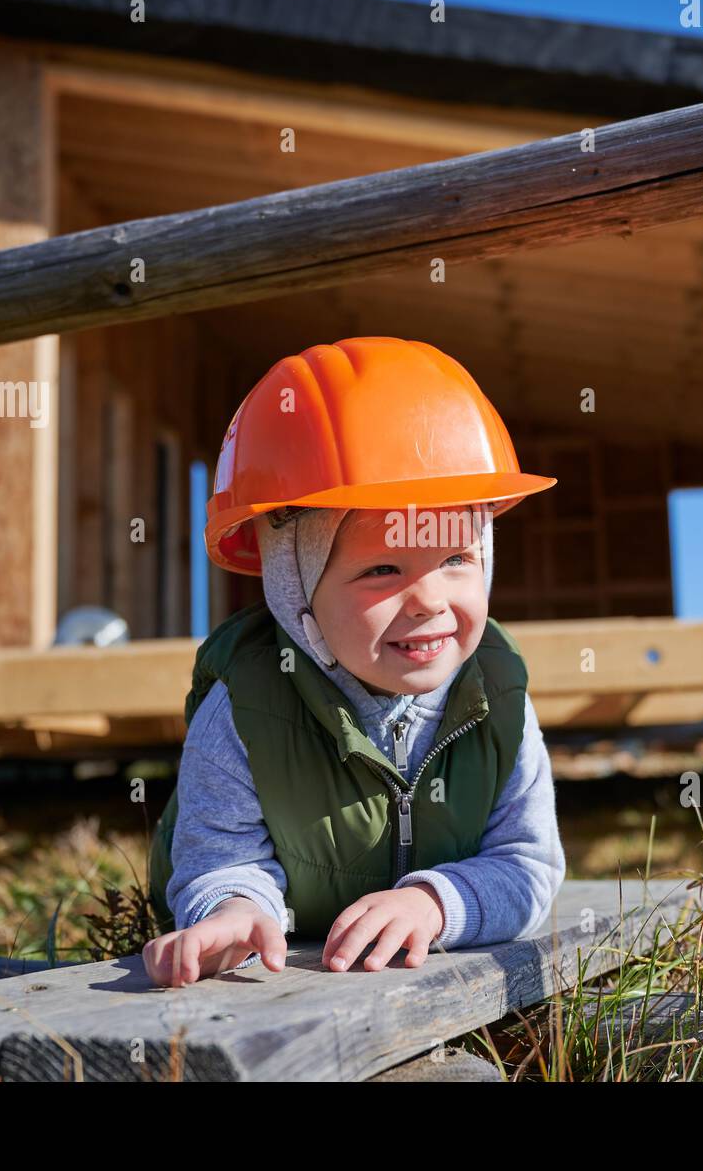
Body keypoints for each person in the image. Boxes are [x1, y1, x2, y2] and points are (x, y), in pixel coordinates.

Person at [142, 337, 565, 985]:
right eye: (383, 569)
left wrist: (435, 903)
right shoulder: (249, 703)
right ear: (296, 588)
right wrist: (231, 910)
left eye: (456, 560)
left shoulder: (499, 694)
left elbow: (528, 860)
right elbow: (218, 856)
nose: (429, 601)